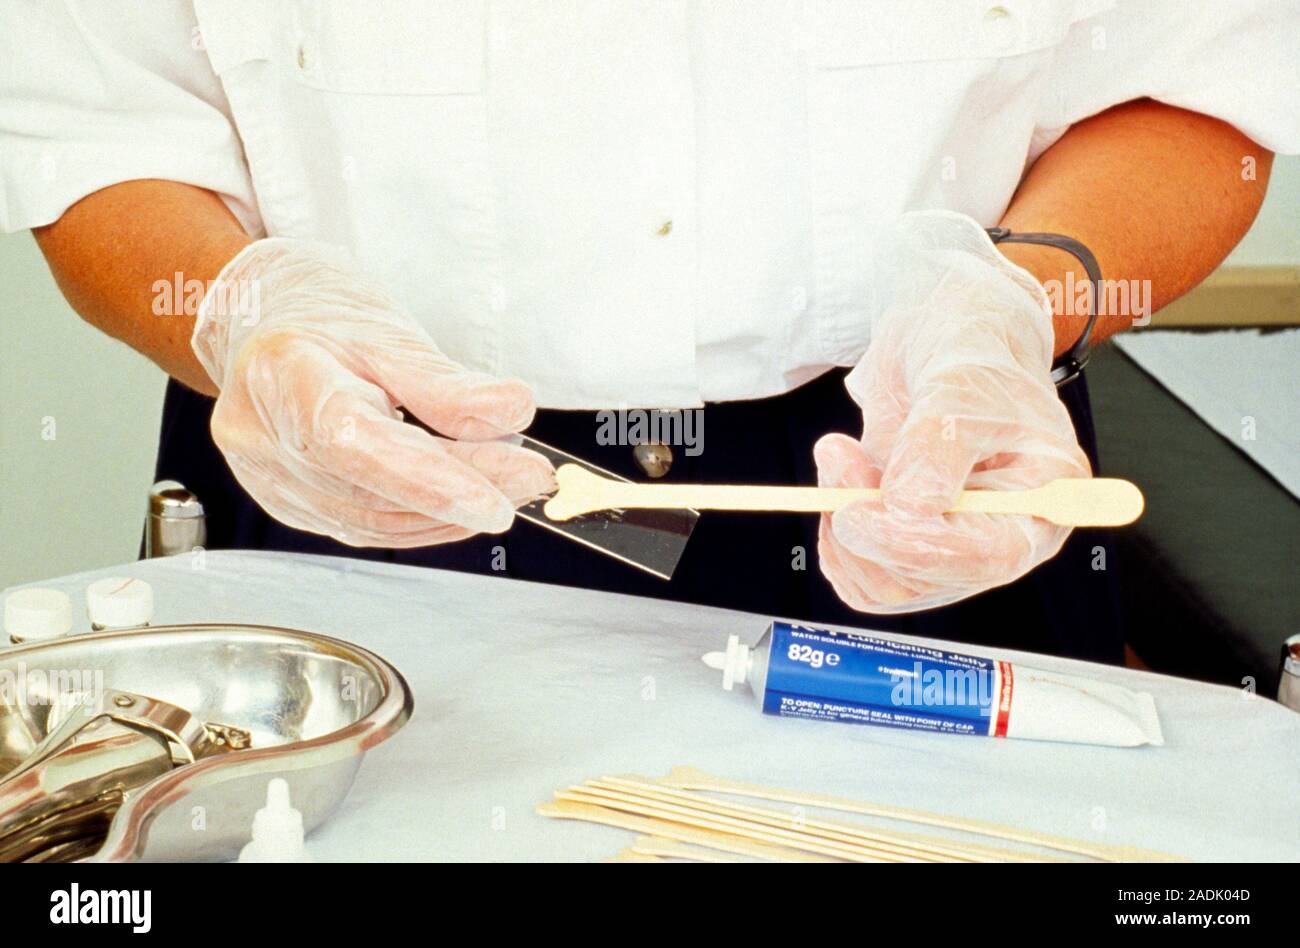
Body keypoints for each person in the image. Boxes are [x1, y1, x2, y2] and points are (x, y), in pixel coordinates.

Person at [3, 2, 1295, 663]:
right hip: (353, 476)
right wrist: (242, 319)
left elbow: (1191, 80)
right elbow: (98, 125)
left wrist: (1008, 307)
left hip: (915, 478)